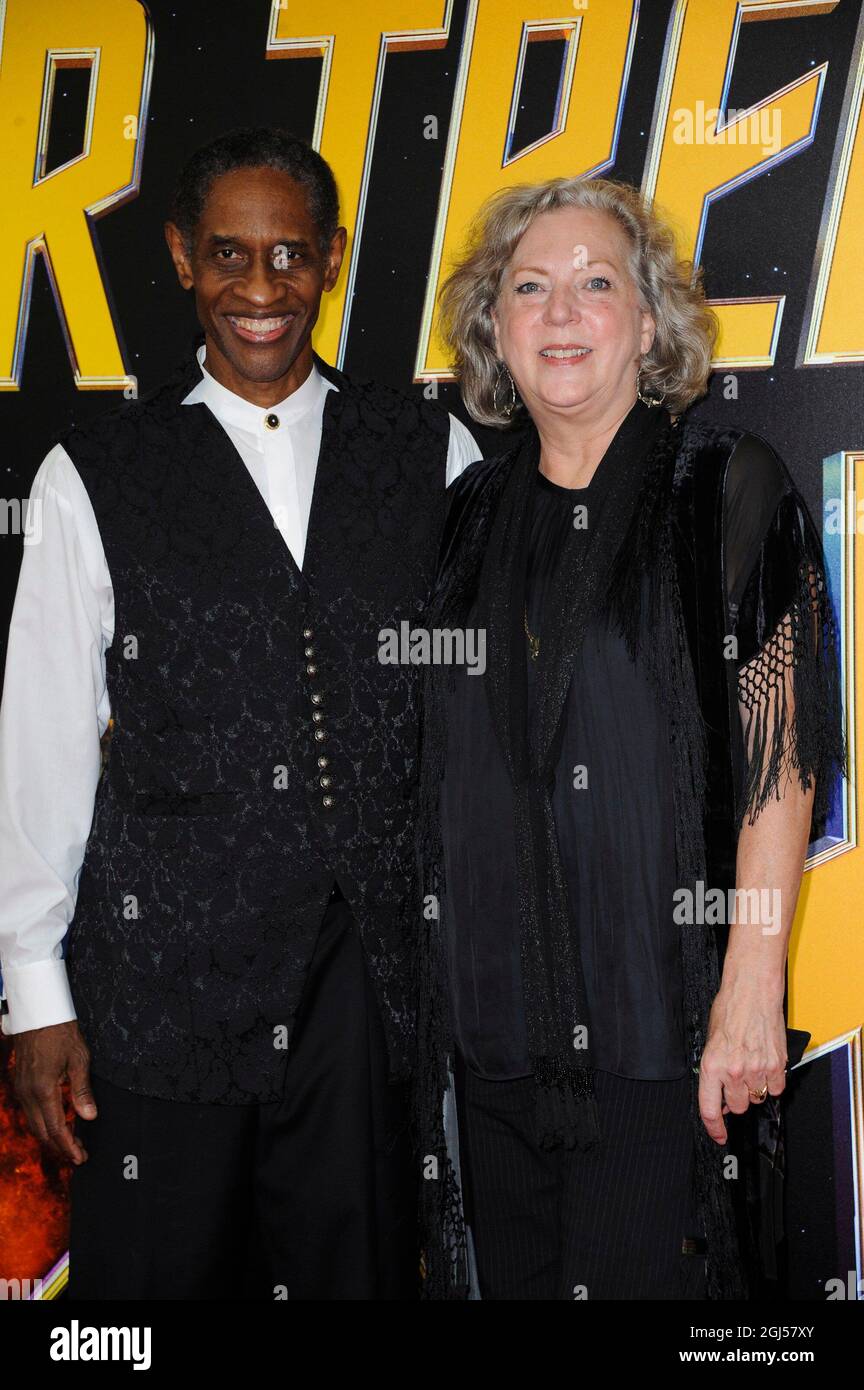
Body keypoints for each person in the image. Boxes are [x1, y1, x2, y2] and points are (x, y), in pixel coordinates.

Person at [0, 127, 481, 1300]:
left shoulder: (436, 451)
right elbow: (44, 742)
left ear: (332, 260)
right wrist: (34, 990)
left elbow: (480, 720)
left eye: (289, 256)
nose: (259, 290)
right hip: (158, 986)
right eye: (228, 254)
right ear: (179, 256)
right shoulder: (94, 470)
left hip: (365, 991)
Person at [413, 175, 846, 1301]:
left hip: (663, 1037)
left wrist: (752, 983)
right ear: (495, 332)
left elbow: (781, 760)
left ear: (649, 322)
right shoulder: (461, 519)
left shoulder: (727, 487)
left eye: (597, 283)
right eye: (531, 287)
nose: (562, 312)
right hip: (493, 1041)